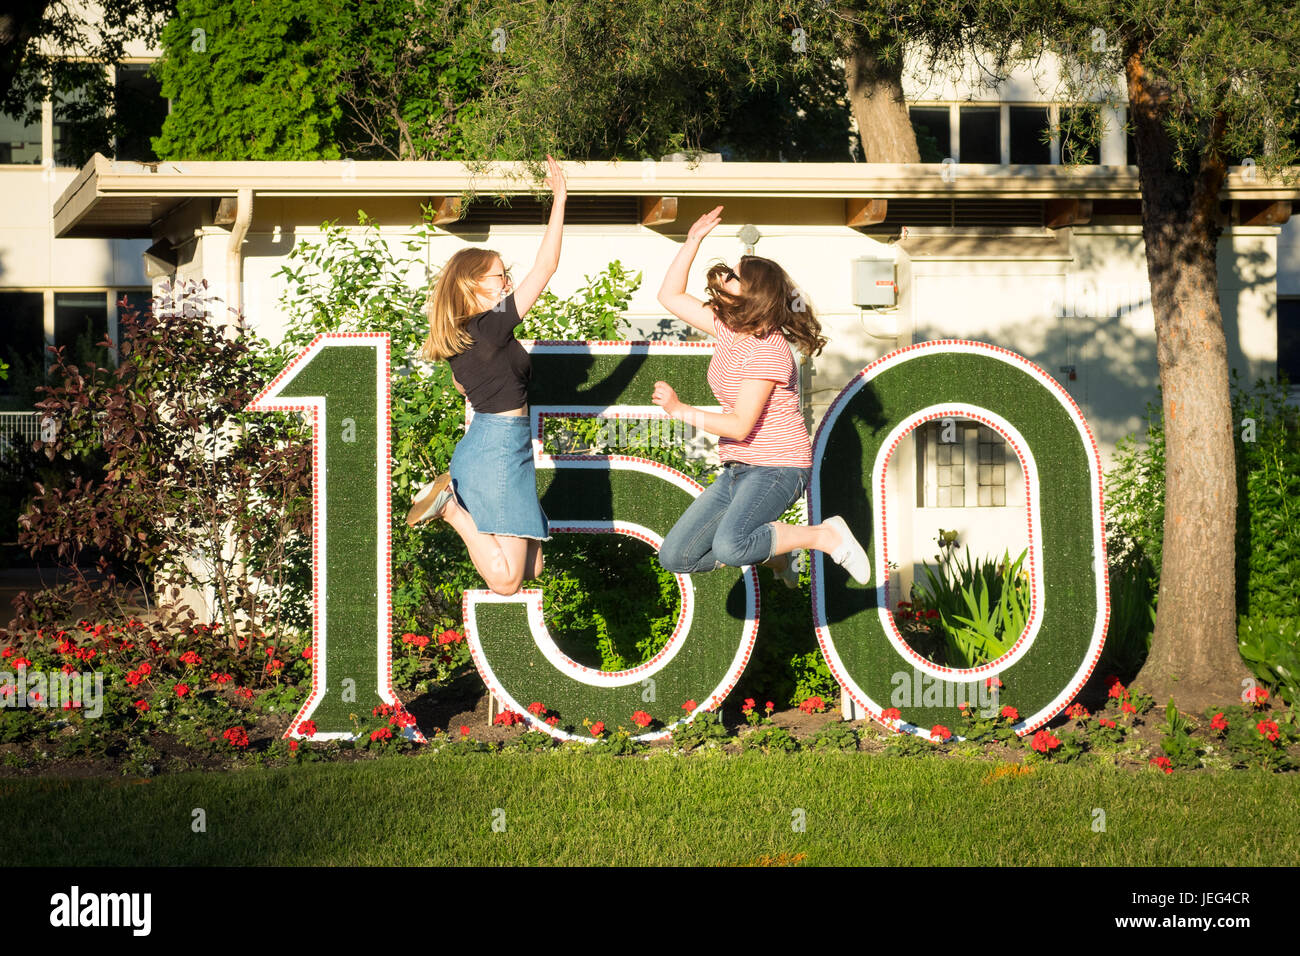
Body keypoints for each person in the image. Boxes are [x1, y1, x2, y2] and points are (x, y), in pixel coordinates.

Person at [651, 205, 871, 586]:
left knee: (730, 547)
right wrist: (691, 241)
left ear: (752, 293)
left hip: (779, 468)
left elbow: (738, 425)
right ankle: (778, 558)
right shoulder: (728, 328)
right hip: (738, 469)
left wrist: (679, 410)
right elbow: (669, 295)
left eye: (736, 276)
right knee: (676, 556)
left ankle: (823, 535)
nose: (727, 277)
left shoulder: (768, 350)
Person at [404, 155, 567, 596]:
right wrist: (560, 199)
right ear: (472, 285)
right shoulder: (490, 326)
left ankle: (452, 500)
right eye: (499, 277)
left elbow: (466, 387)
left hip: (493, 446)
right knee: (508, 581)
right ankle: (453, 510)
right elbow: (546, 267)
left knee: (534, 566)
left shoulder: (457, 337)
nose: (507, 283)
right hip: (497, 449)